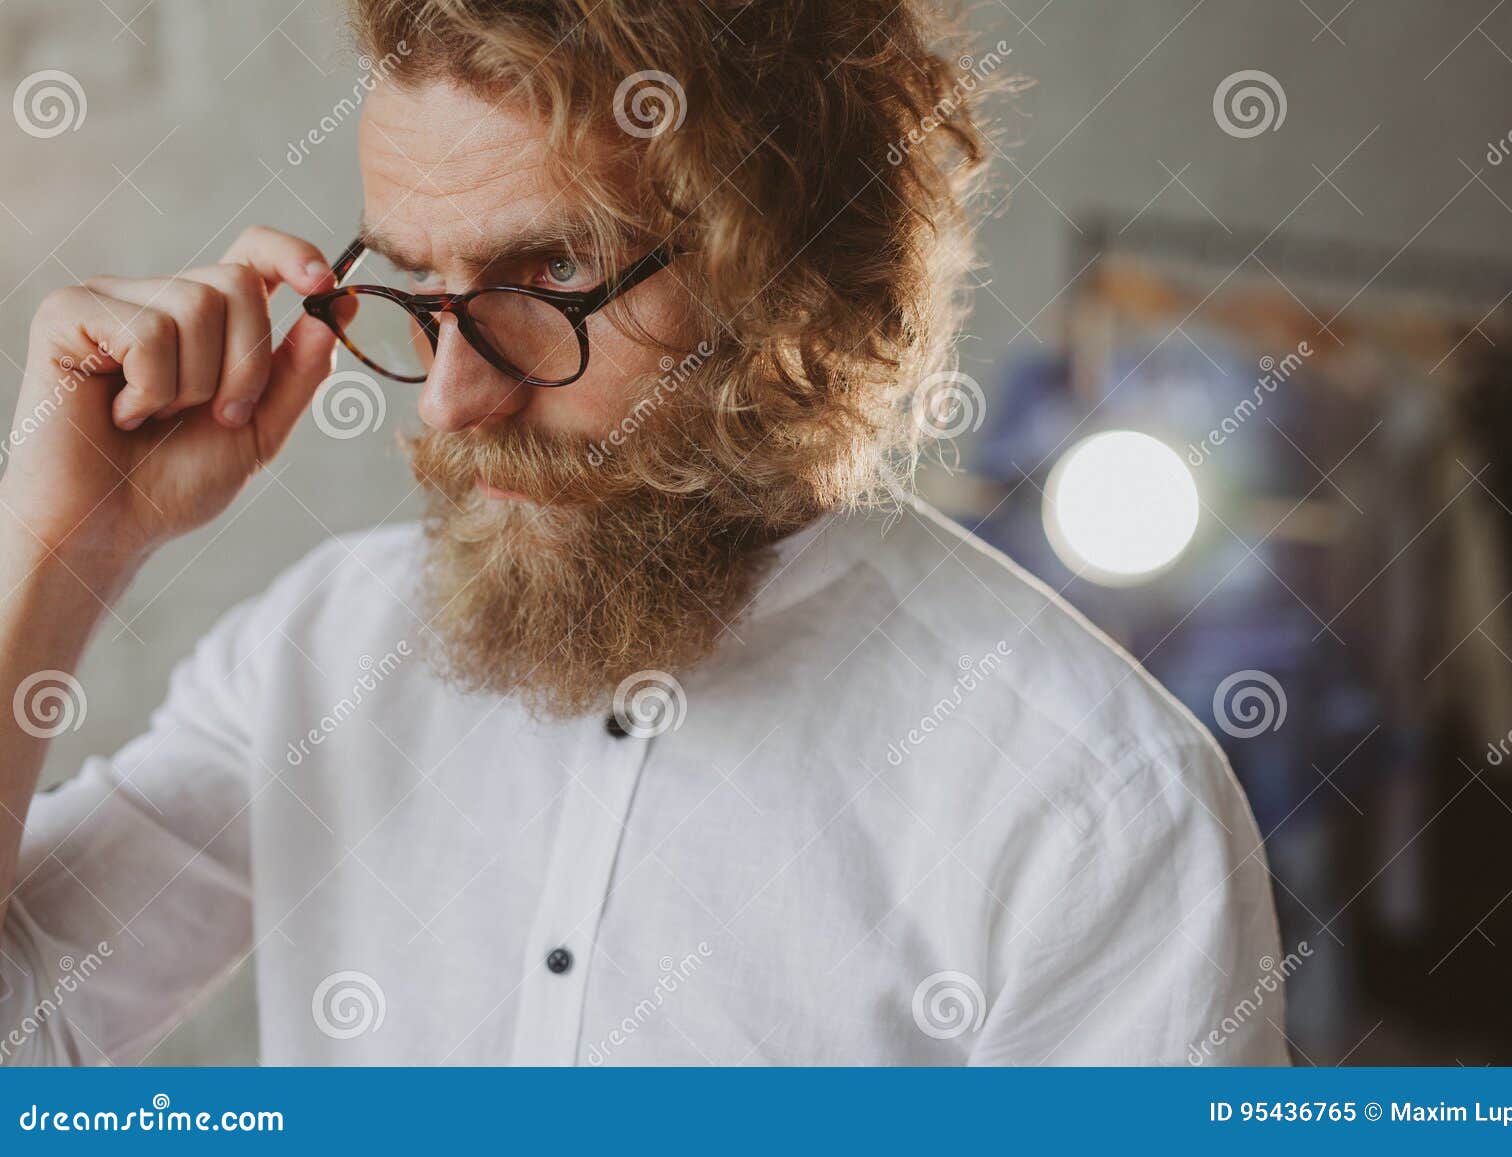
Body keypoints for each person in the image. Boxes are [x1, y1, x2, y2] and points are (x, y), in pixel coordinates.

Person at [0, 0, 1284, 1065]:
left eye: (551, 273)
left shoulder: (1090, 809)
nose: (453, 392)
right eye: (416, 289)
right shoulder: (320, 654)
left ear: (793, 272)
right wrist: (64, 549)